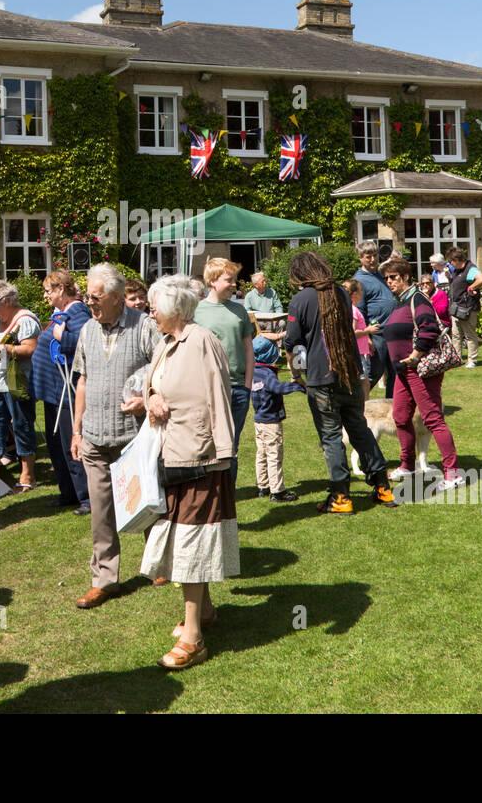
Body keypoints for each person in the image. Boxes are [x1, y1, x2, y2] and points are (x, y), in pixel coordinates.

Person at [141, 275, 239, 670]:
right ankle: (207, 610)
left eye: (155, 305)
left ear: (177, 309)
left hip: (200, 457)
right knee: (182, 536)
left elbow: (219, 394)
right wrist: (150, 398)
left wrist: (222, 453)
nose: (150, 311)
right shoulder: (165, 341)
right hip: (173, 454)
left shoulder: (201, 340)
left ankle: (194, 637)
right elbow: (156, 387)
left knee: (191, 544)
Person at [69, 263, 159, 608]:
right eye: (88, 296)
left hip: (132, 436)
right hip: (94, 435)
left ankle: (157, 561)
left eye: (96, 297)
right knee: (101, 512)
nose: (90, 302)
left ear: (119, 299)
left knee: (147, 500)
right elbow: (83, 381)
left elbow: (163, 369)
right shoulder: (87, 330)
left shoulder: (144, 327)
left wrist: (146, 399)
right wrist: (77, 431)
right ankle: (105, 579)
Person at [285, 250, 398, 513]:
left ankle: (341, 496)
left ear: (300, 274)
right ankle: (382, 487)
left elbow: (292, 343)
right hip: (350, 374)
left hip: (321, 378)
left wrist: (296, 375)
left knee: (331, 436)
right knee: (359, 429)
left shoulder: (301, 299)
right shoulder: (341, 293)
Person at [378, 261, 464, 492]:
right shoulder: (401, 302)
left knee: (433, 419)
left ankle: (453, 473)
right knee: (400, 416)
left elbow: (429, 329)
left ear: (406, 276)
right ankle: (408, 465)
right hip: (402, 372)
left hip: (419, 370)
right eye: (386, 278)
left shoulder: (418, 299)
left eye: (394, 277)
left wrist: (415, 356)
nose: (390, 282)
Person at [34, 270, 92, 511]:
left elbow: (83, 340)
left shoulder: (77, 310)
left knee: (72, 442)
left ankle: (86, 497)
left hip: (67, 390)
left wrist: (61, 336)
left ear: (61, 290)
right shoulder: (63, 312)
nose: (46, 296)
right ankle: (67, 492)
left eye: (49, 291)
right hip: (56, 391)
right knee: (56, 443)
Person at [193, 258, 254, 482]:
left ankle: (229, 505)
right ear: (212, 280)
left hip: (238, 390)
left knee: (232, 448)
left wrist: (247, 386)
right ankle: (209, 500)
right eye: (229, 280)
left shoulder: (239, 310)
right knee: (207, 445)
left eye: (234, 280)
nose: (234, 285)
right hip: (207, 391)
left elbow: (248, 348)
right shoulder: (196, 311)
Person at [0, 280, 39, 491]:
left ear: (6, 300)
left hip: (18, 384)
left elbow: (31, 349)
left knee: (22, 426)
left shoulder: (25, 319)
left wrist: (4, 348)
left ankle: (27, 476)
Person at [249, 335, 303, 502]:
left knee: (262, 453)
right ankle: (277, 491)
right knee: (274, 454)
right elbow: (277, 387)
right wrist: (296, 386)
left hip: (259, 420)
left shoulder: (253, 371)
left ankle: (263, 485)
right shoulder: (266, 374)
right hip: (271, 421)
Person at [353, 242, 397, 398]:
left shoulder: (379, 275)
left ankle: (393, 407)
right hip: (376, 333)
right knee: (374, 372)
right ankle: (357, 403)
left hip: (391, 331)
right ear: (360, 258)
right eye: (368, 257)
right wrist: (368, 337)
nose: (372, 260)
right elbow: (359, 311)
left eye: (375, 256)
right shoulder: (360, 280)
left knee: (395, 371)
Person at [446, 247, 482, 368]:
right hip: (456, 307)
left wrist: (471, 287)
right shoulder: (457, 270)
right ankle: (457, 359)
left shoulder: (471, 268)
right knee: (456, 335)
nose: (450, 264)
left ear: (457, 260)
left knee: (469, 335)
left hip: (467, 308)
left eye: (451, 261)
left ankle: (472, 360)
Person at [342, 279, 375, 397]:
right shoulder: (353, 310)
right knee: (363, 381)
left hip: (361, 351)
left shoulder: (352, 309)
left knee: (364, 380)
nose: (363, 292)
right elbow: (352, 332)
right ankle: (364, 407)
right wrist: (369, 330)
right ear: (355, 294)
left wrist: (368, 340)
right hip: (358, 353)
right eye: (361, 290)